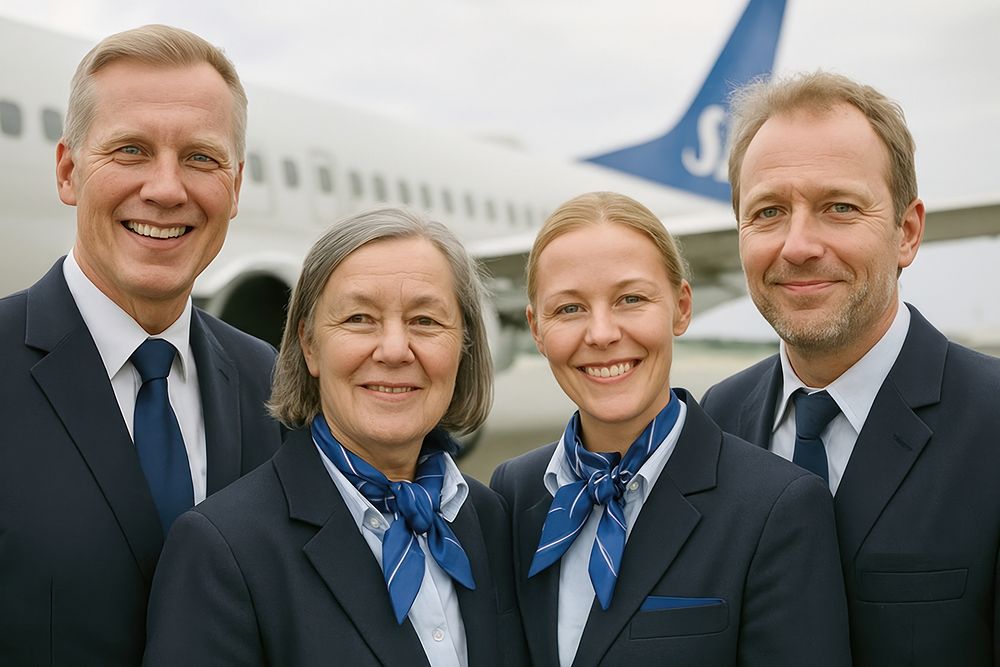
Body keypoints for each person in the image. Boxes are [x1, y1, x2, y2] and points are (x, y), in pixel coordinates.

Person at [0, 25, 283, 664]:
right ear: (69, 171)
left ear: (235, 187)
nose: (165, 189)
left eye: (201, 158)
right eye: (130, 150)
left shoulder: (266, 379)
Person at [700, 71, 1000, 666]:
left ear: (907, 233)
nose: (798, 245)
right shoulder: (716, 420)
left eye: (839, 207)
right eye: (768, 212)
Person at [143, 208, 529, 666]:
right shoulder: (223, 551)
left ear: (463, 345)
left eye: (425, 321)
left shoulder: (495, 522)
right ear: (309, 345)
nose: (393, 350)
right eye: (360, 318)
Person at [490, 191, 851, 666]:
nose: (601, 334)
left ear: (681, 307)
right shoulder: (514, 492)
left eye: (631, 299)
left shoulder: (777, 507)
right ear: (536, 330)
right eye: (569, 309)